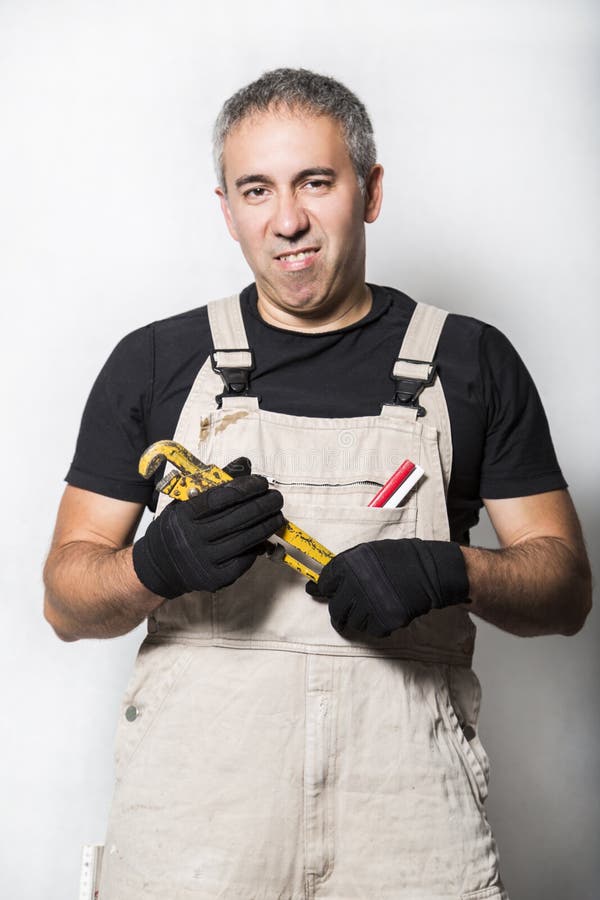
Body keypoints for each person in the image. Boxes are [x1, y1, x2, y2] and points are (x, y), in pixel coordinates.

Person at [44, 68, 591, 900]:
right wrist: (153, 567)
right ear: (227, 210)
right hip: (194, 827)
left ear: (369, 192)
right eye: (256, 190)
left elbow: (565, 591)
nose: (288, 220)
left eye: (316, 182)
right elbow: (65, 603)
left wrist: (454, 569)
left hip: (409, 826)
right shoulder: (155, 363)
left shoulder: (471, 362)